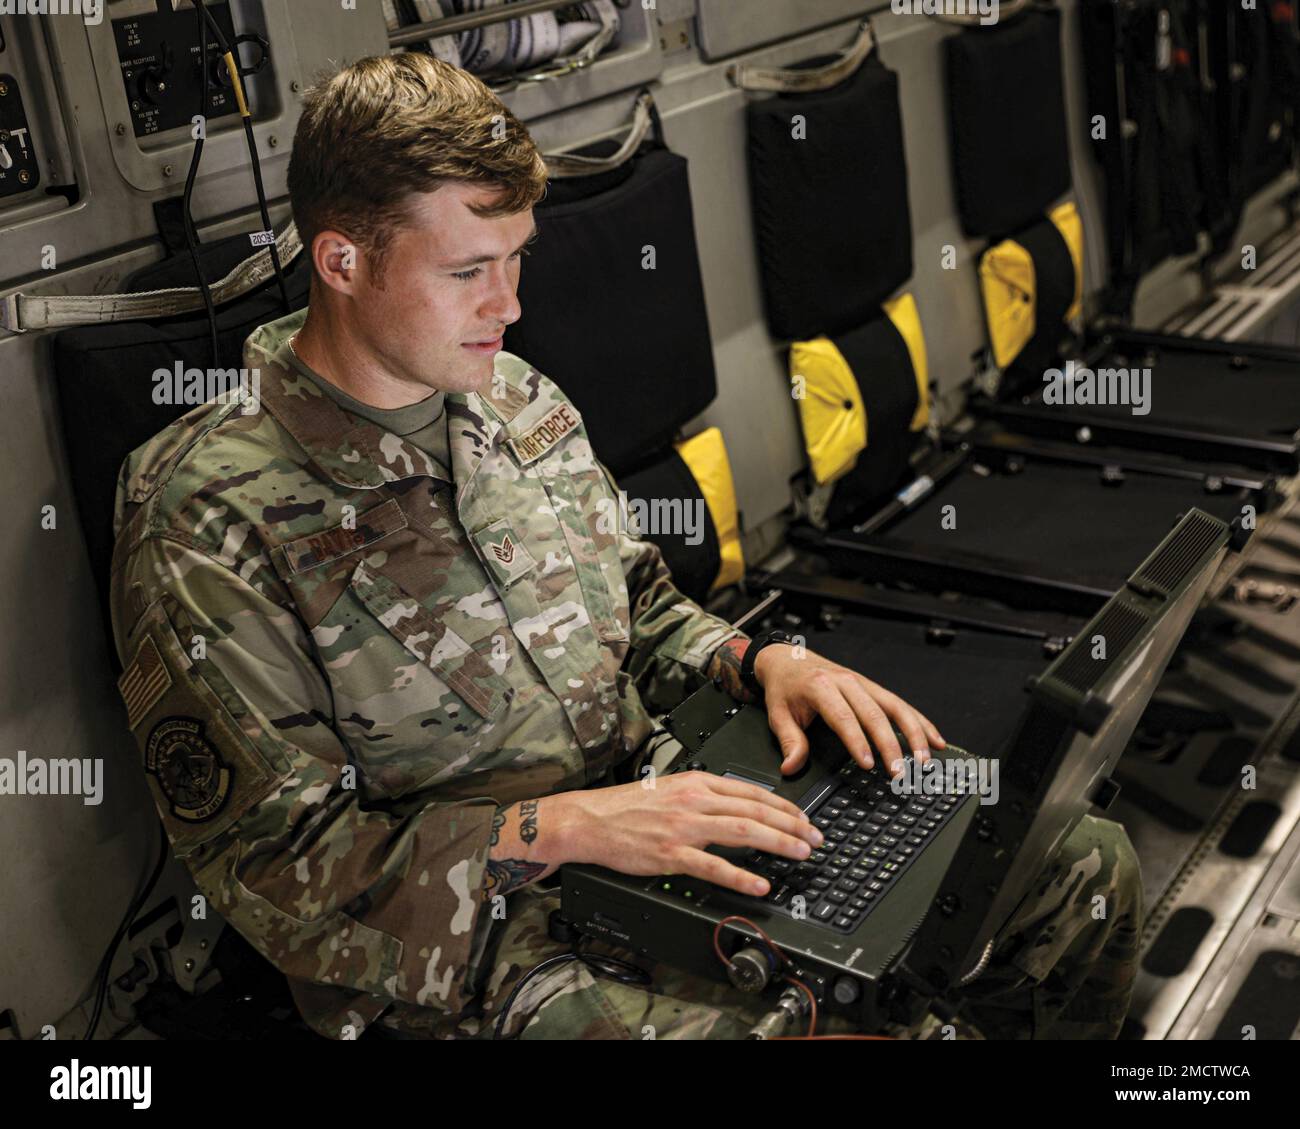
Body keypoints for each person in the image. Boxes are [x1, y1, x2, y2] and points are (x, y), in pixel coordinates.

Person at [108, 53, 1141, 1041]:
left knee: (1078, 870)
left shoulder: (511, 397)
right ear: (341, 260)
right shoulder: (205, 512)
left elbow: (639, 609)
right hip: (478, 936)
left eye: (516, 262)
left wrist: (756, 660)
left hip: (662, 801)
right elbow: (279, 874)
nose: (508, 306)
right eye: (469, 270)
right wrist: (563, 829)